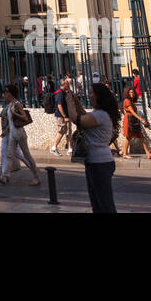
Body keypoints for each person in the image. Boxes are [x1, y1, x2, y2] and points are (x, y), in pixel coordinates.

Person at [66, 82, 120, 212]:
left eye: (91, 93)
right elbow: (84, 115)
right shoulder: (99, 114)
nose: (88, 95)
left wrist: (69, 102)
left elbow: (76, 119)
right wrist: (76, 101)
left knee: (104, 204)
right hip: (96, 162)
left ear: (98, 96)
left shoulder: (99, 115)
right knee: (98, 203)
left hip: (99, 163)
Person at [0, 83, 41, 186]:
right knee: (9, 155)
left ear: (11, 93)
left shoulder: (17, 104)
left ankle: (36, 177)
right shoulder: (10, 104)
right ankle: (4, 176)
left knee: (27, 155)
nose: (4, 94)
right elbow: (11, 120)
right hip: (12, 134)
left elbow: (25, 118)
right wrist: (6, 128)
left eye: (6, 92)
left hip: (20, 134)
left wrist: (15, 113)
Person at [122, 88, 151, 158]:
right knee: (129, 137)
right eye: (130, 92)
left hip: (133, 120)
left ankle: (148, 154)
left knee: (141, 137)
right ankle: (125, 154)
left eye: (133, 92)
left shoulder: (131, 101)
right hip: (129, 119)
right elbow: (132, 112)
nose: (132, 94)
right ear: (127, 93)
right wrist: (141, 119)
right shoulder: (127, 101)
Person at [50, 78, 73, 156]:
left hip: (66, 116)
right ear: (63, 84)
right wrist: (65, 116)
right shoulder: (59, 94)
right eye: (67, 83)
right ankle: (54, 148)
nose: (68, 84)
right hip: (61, 116)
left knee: (69, 132)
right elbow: (59, 106)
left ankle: (70, 149)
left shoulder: (64, 92)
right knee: (61, 132)